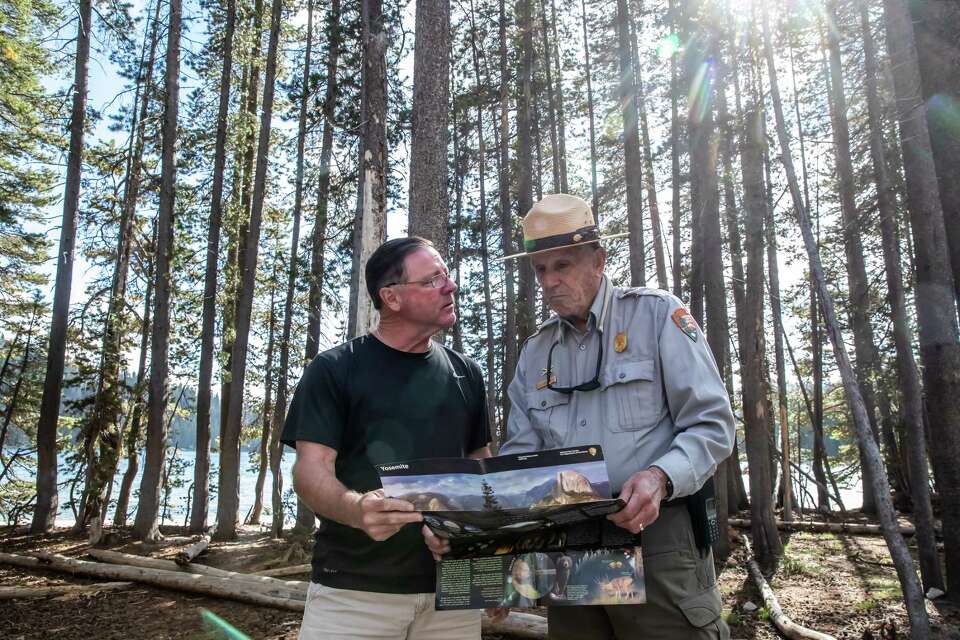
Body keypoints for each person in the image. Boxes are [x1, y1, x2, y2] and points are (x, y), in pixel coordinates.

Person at [425, 193, 734, 638]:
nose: (549, 281)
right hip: (569, 548)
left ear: (598, 260)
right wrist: (484, 549)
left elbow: (712, 424)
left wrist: (659, 477)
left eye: (562, 265)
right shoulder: (536, 354)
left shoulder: (657, 316)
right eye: (540, 269)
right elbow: (521, 470)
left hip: (659, 539)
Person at [282, 236, 492, 640]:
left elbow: (480, 468)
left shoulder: (467, 373)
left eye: (445, 275)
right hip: (353, 595)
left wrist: (489, 564)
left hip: (452, 597)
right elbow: (310, 470)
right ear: (391, 298)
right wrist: (356, 508)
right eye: (432, 281)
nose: (450, 287)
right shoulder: (334, 369)